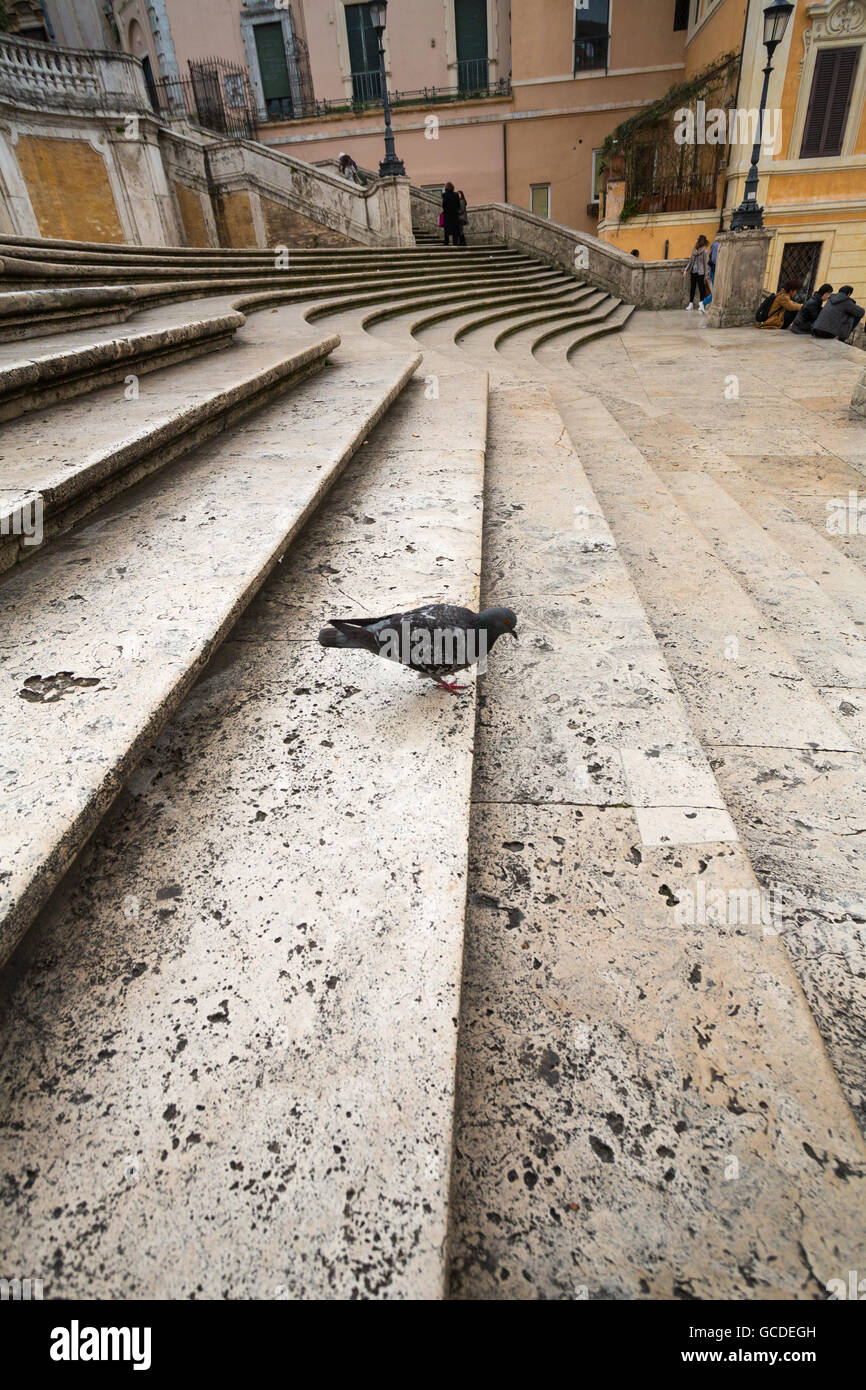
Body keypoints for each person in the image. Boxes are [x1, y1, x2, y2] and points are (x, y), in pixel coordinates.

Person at [683, 235, 710, 312]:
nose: (695, 240)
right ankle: (690, 304)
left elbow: (706, 263)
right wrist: (686, 270)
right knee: (692, 288)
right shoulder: (694, 249)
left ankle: (701, 305)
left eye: (697, 239)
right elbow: (691, 261)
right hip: (693, 272)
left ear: (700, 241)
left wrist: (706, 275)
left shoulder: (704, 251)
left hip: (700, 273)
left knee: (701, 289)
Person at [442, 181, 461, 246]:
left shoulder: (444, 195)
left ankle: (446, 243)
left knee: (446, 230)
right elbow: (458, 205)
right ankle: (455, 243)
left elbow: (444, 205)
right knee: (455, 230)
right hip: (455, 215)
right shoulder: (456, 195)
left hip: (447, 215)